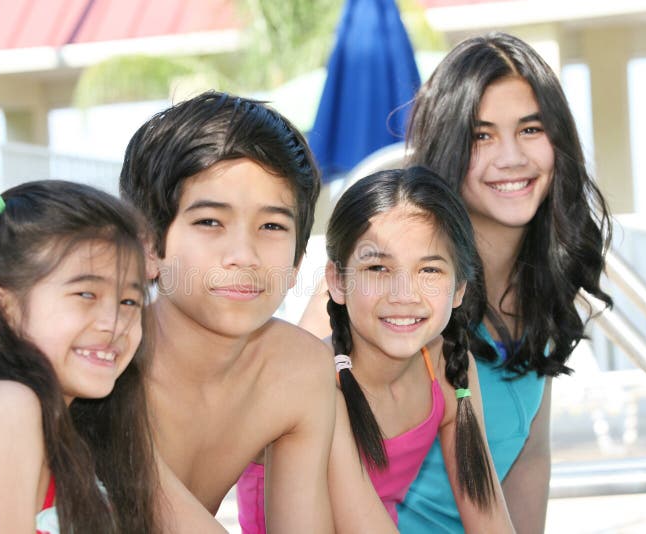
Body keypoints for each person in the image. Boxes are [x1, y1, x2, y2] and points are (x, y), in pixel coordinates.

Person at [394, 32, 613, 533]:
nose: (511, 157)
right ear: (447, 148)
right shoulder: (391, 278)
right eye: (482, 136)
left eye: (530, 129)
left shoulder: (543, 287)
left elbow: (530, 457)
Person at [237, 167, 515, 533]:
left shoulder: (448, 368)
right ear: (337, 281)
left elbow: (489, 517)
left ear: (459, 288)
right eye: (379, 268)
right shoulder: (315, 384)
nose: (404, 295)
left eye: (429, 270)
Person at [119, 91, 337, 533]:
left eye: (272, 226)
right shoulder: (108, 361)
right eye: (210, 222)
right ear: (148, 245)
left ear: (298, 261)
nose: (244, 255)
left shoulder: (298, 369)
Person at [0, 180, 159, 533]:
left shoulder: (65, 425)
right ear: (2, 307)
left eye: (129, 301)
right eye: (86, 294)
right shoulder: (5, 406)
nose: (114, 323)